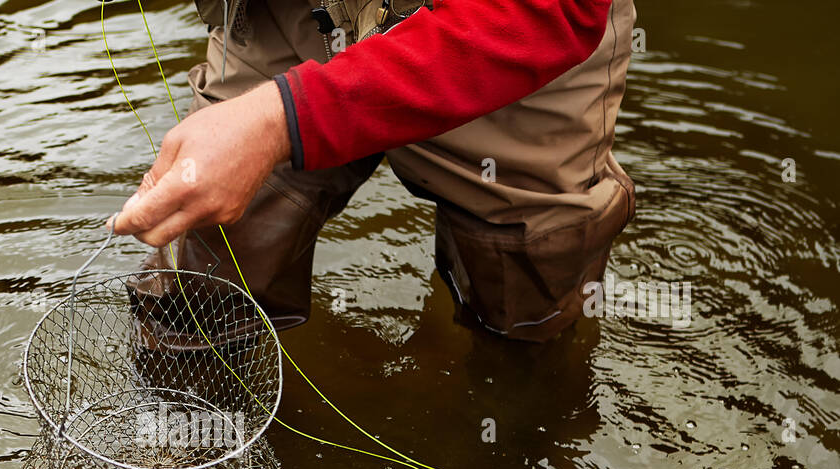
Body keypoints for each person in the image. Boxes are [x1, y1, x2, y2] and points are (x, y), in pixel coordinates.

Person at [109, 0, 637, 343]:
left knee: (524, 319)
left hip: (506, 28)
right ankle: (199, 437)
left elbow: (555, 11)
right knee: (205, 291)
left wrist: (280, 121)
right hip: (295, 13)